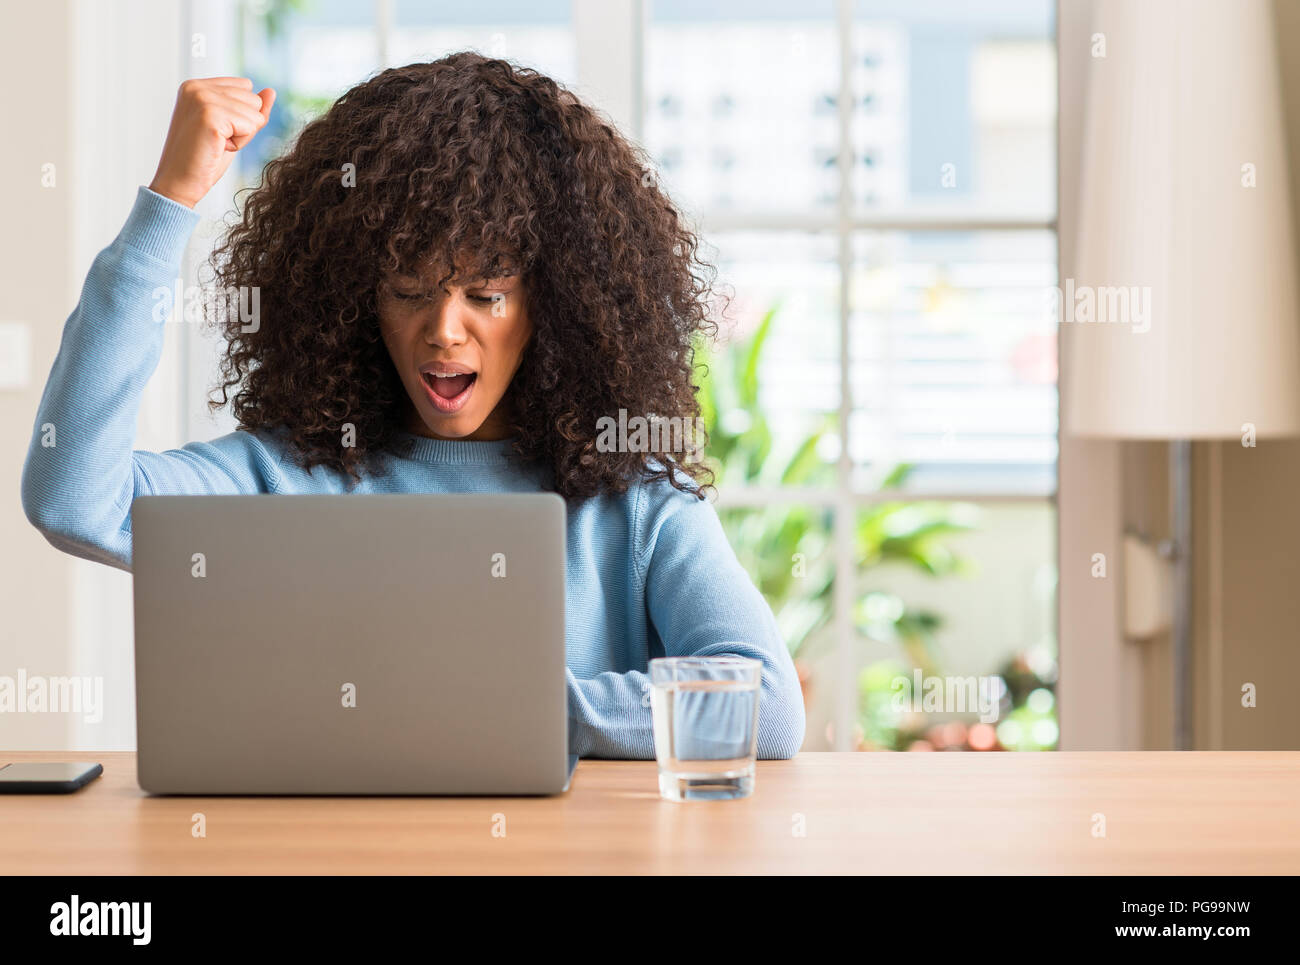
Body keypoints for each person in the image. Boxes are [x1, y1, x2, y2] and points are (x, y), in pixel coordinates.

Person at [21, 53, 805, 760]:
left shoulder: (634, 499)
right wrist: (170, 202)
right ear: (360, 300)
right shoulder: (282, 476)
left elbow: (764, 705)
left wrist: (509, 709)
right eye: (408, 290)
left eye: (486, 295)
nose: (443, 329)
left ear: (553, 306)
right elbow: (75, 502)